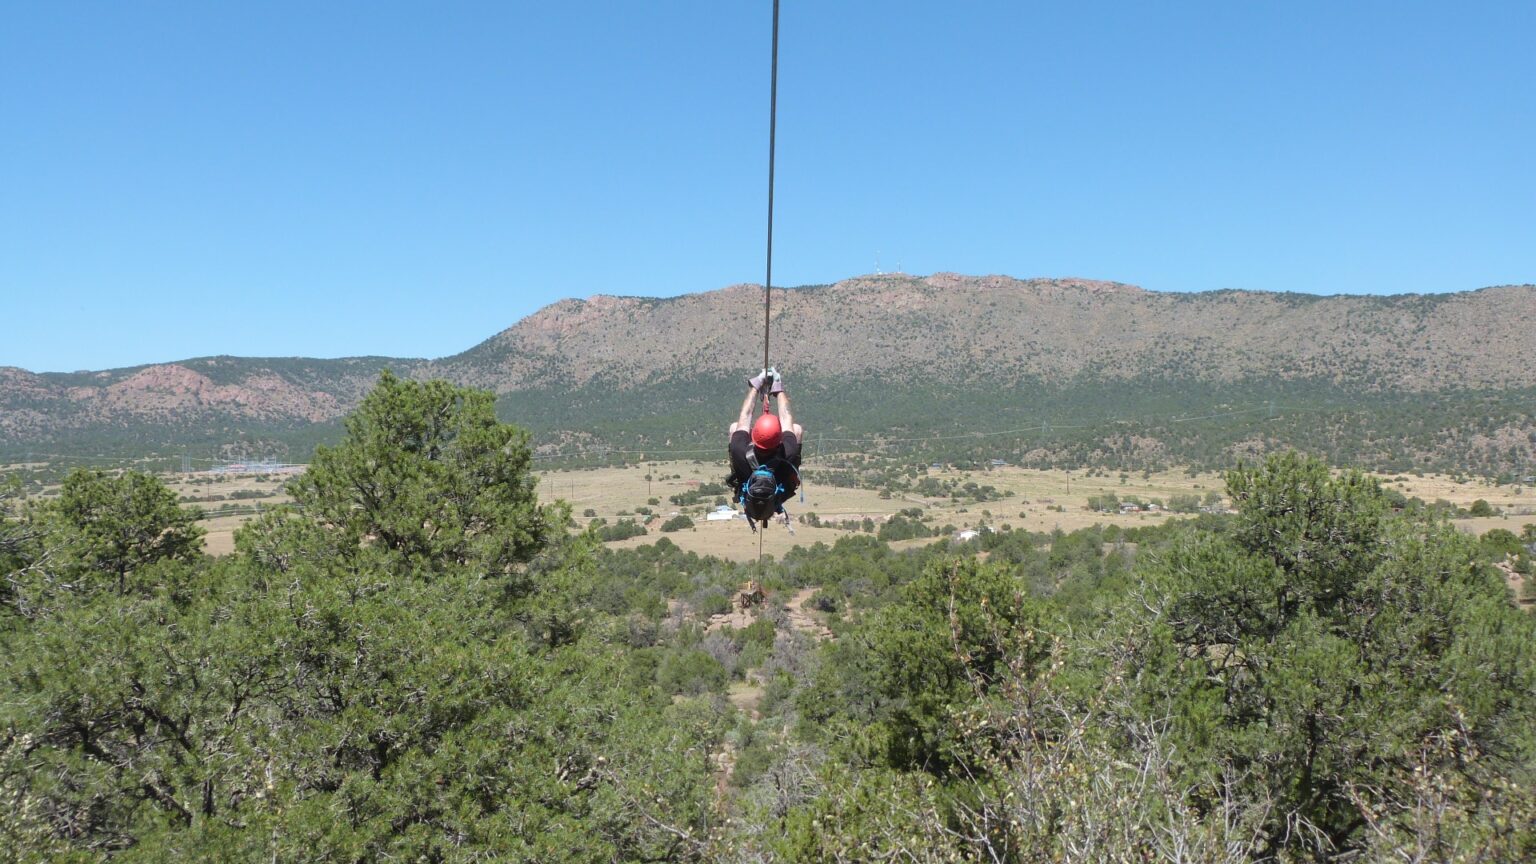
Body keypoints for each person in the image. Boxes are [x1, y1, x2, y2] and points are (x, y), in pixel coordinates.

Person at [728, 367, 803, 529]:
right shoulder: (788, 451)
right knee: (796, 429)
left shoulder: (739, 449)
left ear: (754, 436)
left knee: (736, 427)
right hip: (776, 496)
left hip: (748, 488)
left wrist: (756, 385)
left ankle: (737, 465)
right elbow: (786, 417)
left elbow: (746, 415)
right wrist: (778, 387)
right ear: (779, 439)